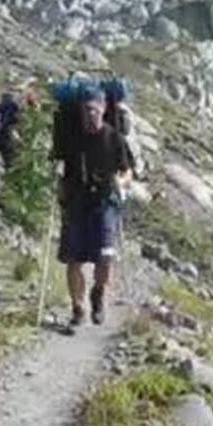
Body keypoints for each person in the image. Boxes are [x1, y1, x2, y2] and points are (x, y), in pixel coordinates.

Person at [57, 85, 134, 326]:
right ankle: (78, 308)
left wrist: (120, 182)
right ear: (80, 111)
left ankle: (98, 295)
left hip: (105, 203)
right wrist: (57, 179)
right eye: (86, 110)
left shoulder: (114, 138)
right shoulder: (71, 138)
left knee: (106, 256)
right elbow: (58, 161)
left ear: (103, 109)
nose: (90, 115)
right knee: (73, 260)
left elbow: (127, 170)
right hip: (76, 202)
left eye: (94, 110)